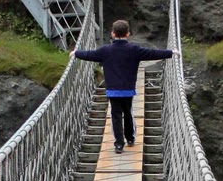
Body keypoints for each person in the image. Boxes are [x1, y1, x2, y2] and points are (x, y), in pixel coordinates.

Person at [72, 19, 172, 152]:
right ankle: (130, 138)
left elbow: (90, 54)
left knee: (116, 116)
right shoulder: (134, 50)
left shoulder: (105, 51)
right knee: (128, 113)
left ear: (113, 34)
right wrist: (171, 53)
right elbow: (153, 53)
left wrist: (76, 53)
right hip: (128, 90)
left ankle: (119, 144)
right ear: (128, 34)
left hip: (113, 91)